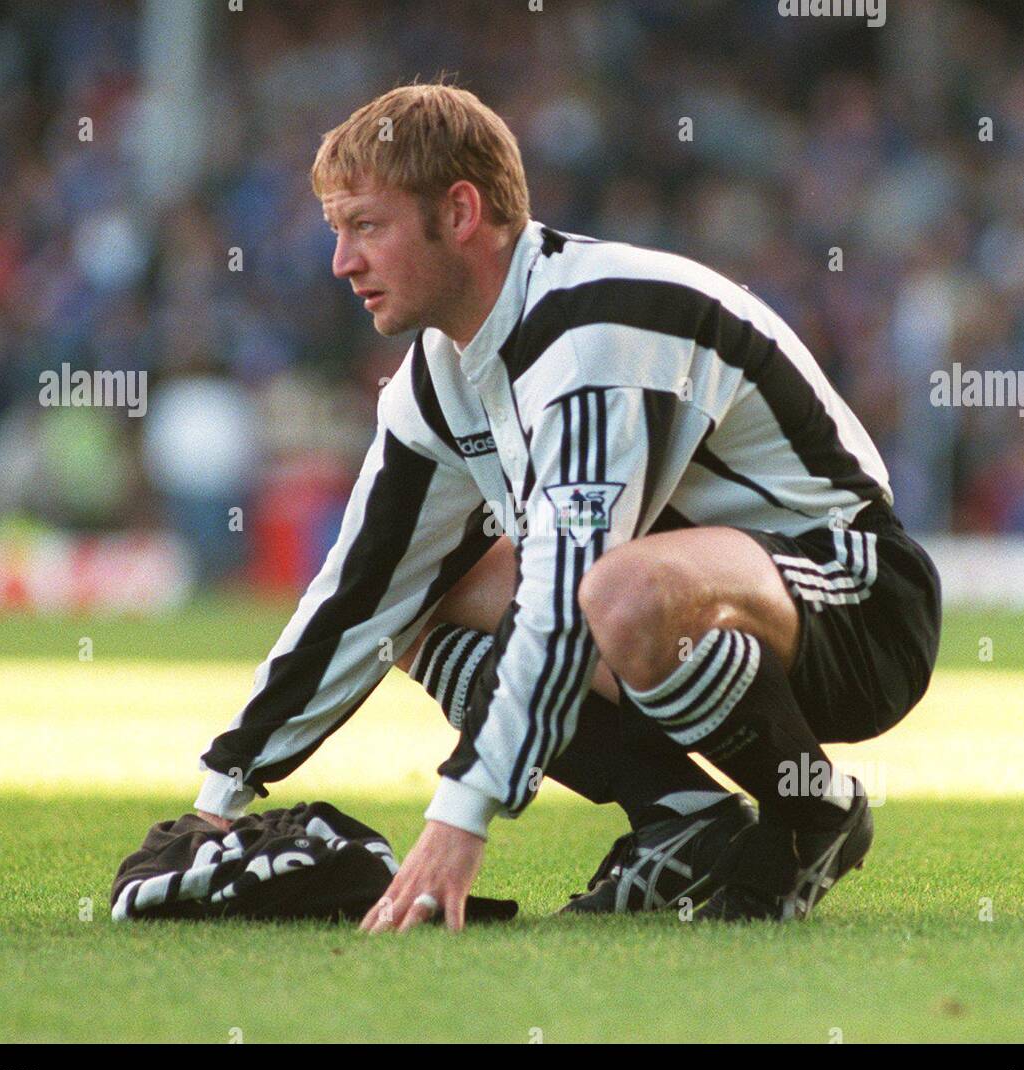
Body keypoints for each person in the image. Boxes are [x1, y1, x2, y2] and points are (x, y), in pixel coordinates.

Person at [192, 82, 941, 932]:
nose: (342, 262)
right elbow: (359, 594)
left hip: (861, 600)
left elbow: (569, 585)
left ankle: (813, 815)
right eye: (339, 231)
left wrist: (462, 810)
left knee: (616, 591)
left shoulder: (595, 331)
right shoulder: (441, 376)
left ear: (462, 211)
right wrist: (219, 797)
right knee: (423, 602)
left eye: (366, 226)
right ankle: (680, 814)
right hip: (694, 594)